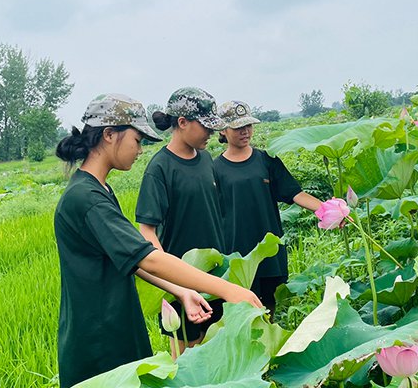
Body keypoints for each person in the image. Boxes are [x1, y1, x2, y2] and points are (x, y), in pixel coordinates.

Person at [54, 93, 261, 387]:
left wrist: (180, 290)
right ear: (110, 135)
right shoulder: (86, 199)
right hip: (98, 338)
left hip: (117, 323)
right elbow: (147, 256)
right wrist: (228, 289)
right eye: (137, 140)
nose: (140, 150)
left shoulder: (98, 190)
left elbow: (127, 258)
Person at [135, 87, 228, 355]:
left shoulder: (207, 160)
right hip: (181, 280)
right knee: (185, 362)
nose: (210, 133)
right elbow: (147, 231)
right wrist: (173, 284)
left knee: (216, 353)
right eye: (205, 126)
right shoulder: (160, 168)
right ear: (182, 123)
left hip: (215, 274)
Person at [213, 100, 322, 318]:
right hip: (237, 256)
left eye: (248, 126)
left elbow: (295, 194)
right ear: (223, 130)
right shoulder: (214, 169)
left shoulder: (266, 160)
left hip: (269, 249)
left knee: (270, 310)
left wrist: (329, 210)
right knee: (243, 313)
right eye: (238, 127)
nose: (245, 131)